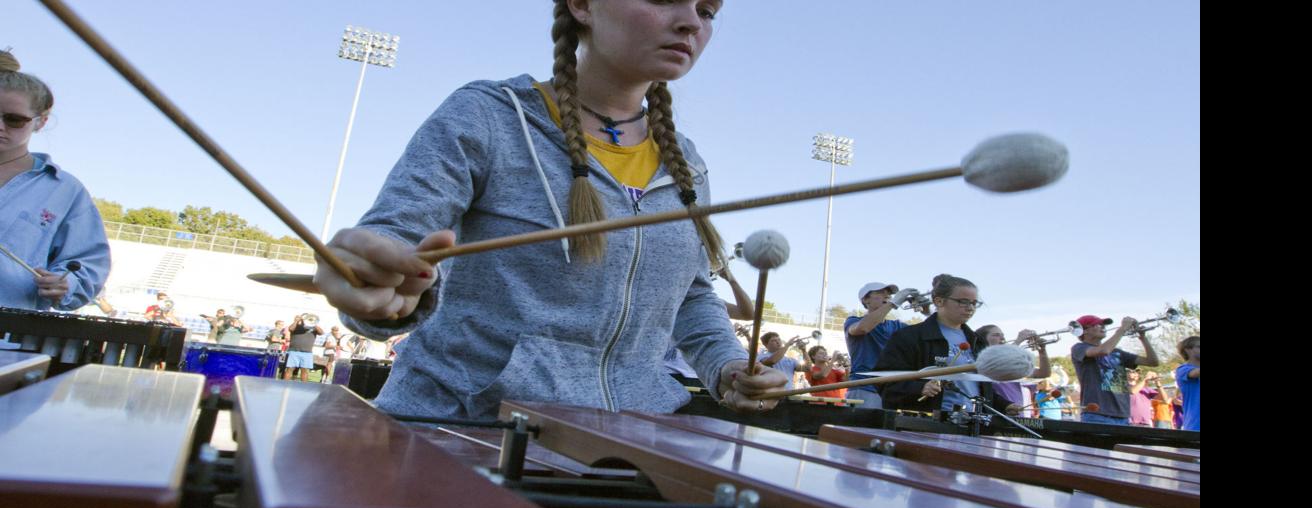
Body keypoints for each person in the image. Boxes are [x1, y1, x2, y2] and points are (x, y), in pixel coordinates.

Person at [314, 0, 785, 419]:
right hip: (466, 424)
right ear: (581, 5)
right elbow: (395, 239)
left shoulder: (688, 163)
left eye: (707, 11)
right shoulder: (488, 115)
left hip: (628, 440)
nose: (690, 23)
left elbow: (691, 295)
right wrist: (374, 284)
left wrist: (727, 366)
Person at [0, 51, 109, 314]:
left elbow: (87, 267)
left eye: (14, 120)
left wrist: (66, 283)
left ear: (41, 122)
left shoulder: (65, 191)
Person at [878, 273, 1009, 415]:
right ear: (939, 301)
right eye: (963, 301)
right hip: (928, 423)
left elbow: (978, 387)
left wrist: (1006, 405)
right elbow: (883, 381)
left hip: (973, 421)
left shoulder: (977, 341)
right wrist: (919, 388)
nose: (970, 308)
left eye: (974, 303)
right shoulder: (909, 336)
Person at [843, 281, 922, 409]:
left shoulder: (897, 326)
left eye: (889, 295)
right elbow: (863, 328)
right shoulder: (853, 320)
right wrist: (893, 304)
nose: (887, 297)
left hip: (889, 390)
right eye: (880, 293)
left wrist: (927, 310)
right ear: (865, 299)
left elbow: (926, 334)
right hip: (865, 387)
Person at [1069, 315, 1158, 426]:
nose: (1103, 327)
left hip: (1123, 415)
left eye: (1104, 325)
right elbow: (1104, 351)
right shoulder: (1079, 348)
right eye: (1098, 324)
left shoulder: (1117, 352)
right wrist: (1122, 329)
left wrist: (1143, 337)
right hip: (1097, 414)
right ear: (1085, 330)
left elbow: (1153, 362)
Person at [973, 323, 1050, 415]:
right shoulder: (981, 361)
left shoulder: (1012, 362)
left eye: (1003, 336)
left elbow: (1043, 373)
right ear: (983, 340)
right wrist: (1019, 340)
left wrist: (1042, 351)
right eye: (996, 335)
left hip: (1017, 415)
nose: (1002, 338)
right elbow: (999, 361)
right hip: (996, 415)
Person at [1173, 335, 1200, 431]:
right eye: (1199, 347)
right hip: (1196, 426)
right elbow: (1195, 373)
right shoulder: (1182, 369)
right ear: (1188, 350)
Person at [283, 316, 319, 381]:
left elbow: (321, 332)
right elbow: (290, 329)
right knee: (290, 369)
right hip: (294, 352)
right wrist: (296, 321)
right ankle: (285, 384)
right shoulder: (296, 326)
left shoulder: (313, 328)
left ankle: (303, 387)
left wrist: (314, 323)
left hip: (307, 353)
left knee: (305, 371)